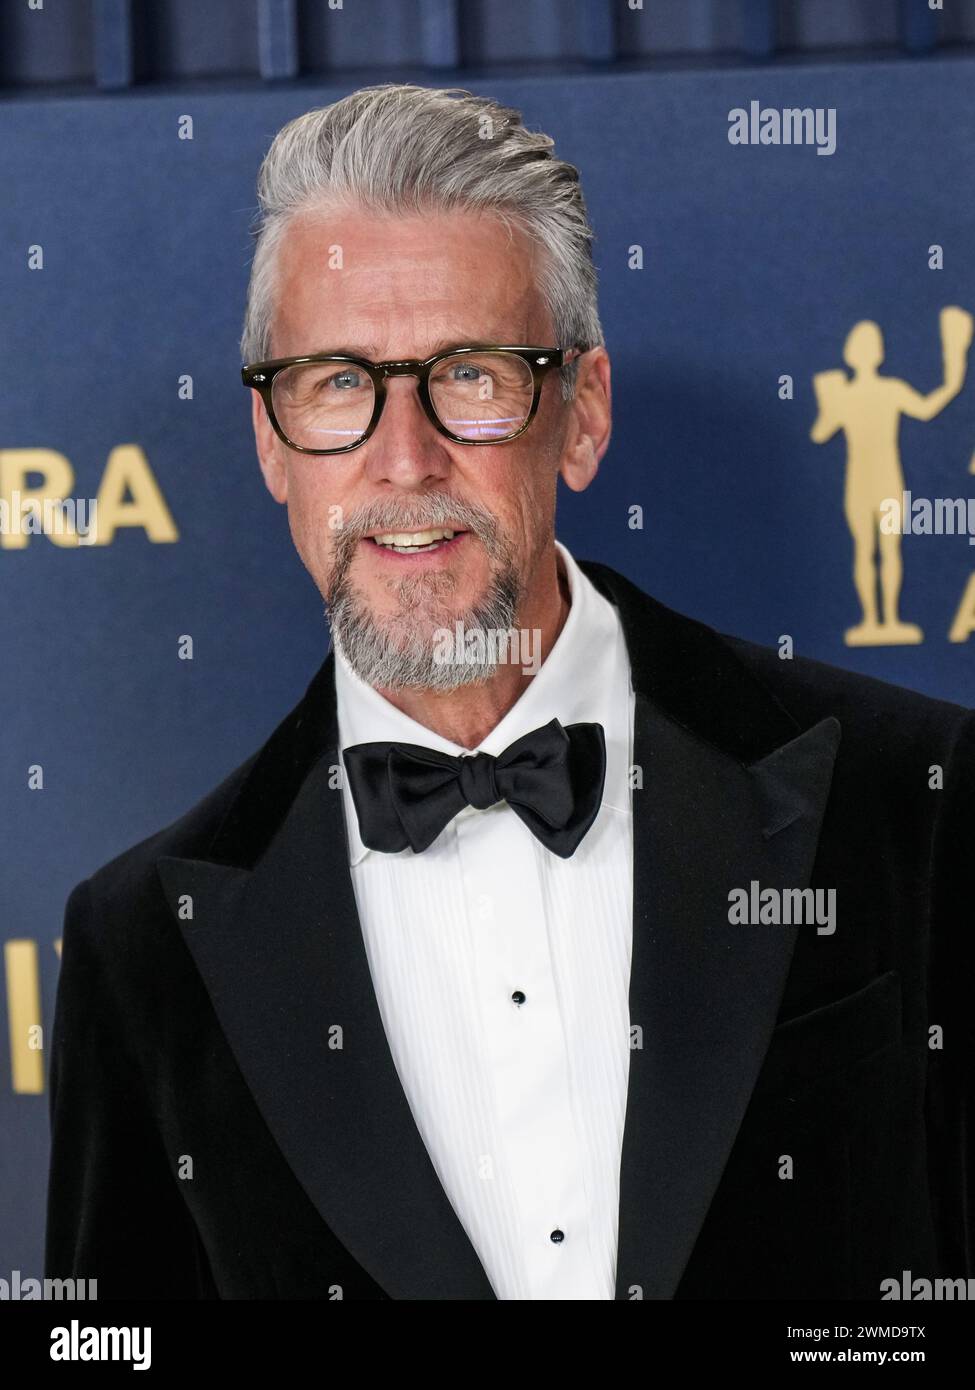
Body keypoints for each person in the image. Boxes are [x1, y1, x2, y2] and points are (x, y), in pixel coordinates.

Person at [45, 83, 973, 1301]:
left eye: (471, 375)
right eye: (337, 383)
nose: (404, 456)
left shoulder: (921, 804)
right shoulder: (142, 952)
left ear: (581, 414)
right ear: (271, 442)